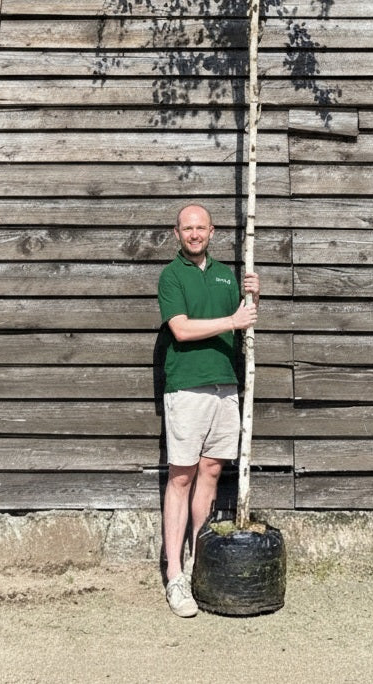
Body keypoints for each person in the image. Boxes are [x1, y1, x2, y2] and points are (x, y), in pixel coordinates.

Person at [158, 203, 259, 617]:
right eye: (188, 228)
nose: (195, 234)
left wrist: (254, 296)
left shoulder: (225, 274)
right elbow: (181, 329)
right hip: (187, 388)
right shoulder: (172, 275)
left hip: (224, 385)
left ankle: (199, 563)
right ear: (177, 233)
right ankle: (175, 575)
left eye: (201, 228)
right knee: (181, 476)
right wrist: (232, 321)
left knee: (212, 471)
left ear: (212, 231)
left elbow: (244, 320)